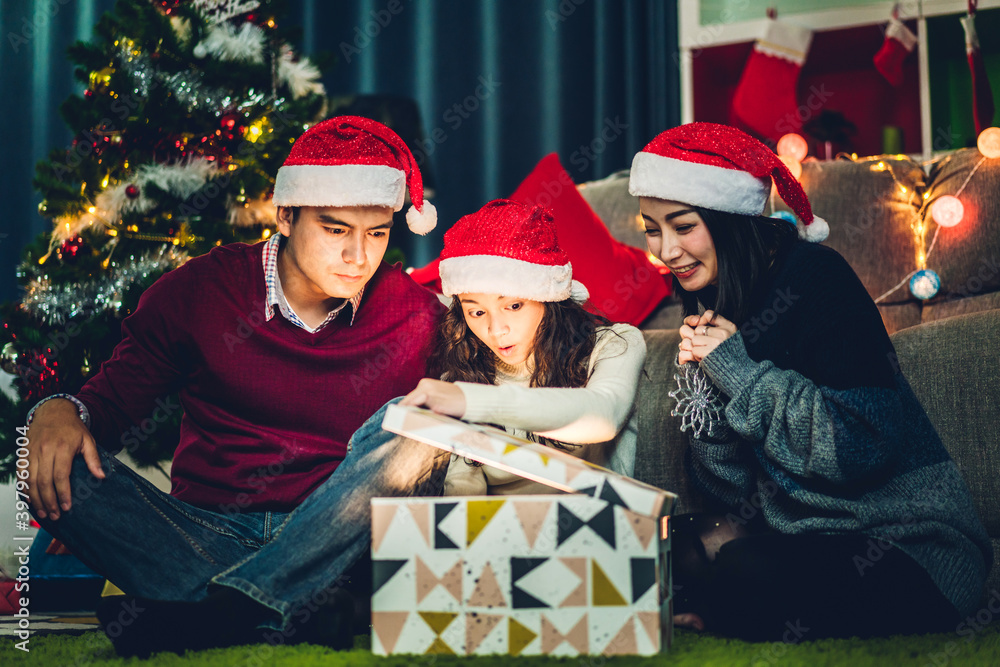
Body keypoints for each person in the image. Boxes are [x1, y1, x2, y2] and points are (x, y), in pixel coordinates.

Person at [24, 116, 451, 656]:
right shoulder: (199, 291)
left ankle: (219, 612)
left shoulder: (417, 315)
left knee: (413, 432)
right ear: (286, 215)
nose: (358, 256)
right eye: (336, 229)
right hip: (204, 532)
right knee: (48, 463)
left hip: (337, 537)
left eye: (378, 234)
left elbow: (476, 414)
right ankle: (282, 608)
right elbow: (109, 405)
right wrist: (59, 411)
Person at [628, 122, 991, 641]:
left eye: (683, 227)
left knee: (742, 571)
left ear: (729, 218)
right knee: (654, 549)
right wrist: (706, 403)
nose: (666, 251)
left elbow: (862, 447)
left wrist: (741, 374)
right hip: (798, 531)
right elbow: (729, 493)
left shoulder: (816, 278)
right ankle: (714, 608)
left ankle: (717, 609)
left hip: (906, 545)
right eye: (652, 228)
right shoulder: (713, 293)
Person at [398, 198, 646, 492]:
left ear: (548, 299)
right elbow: (463, 484)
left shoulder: (615, 345)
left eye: (514, 306)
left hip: (595, 525)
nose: (495, 330)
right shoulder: (464, 364)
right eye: (477, 312)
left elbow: (602, 415)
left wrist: (470, 401)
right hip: (493, 529)